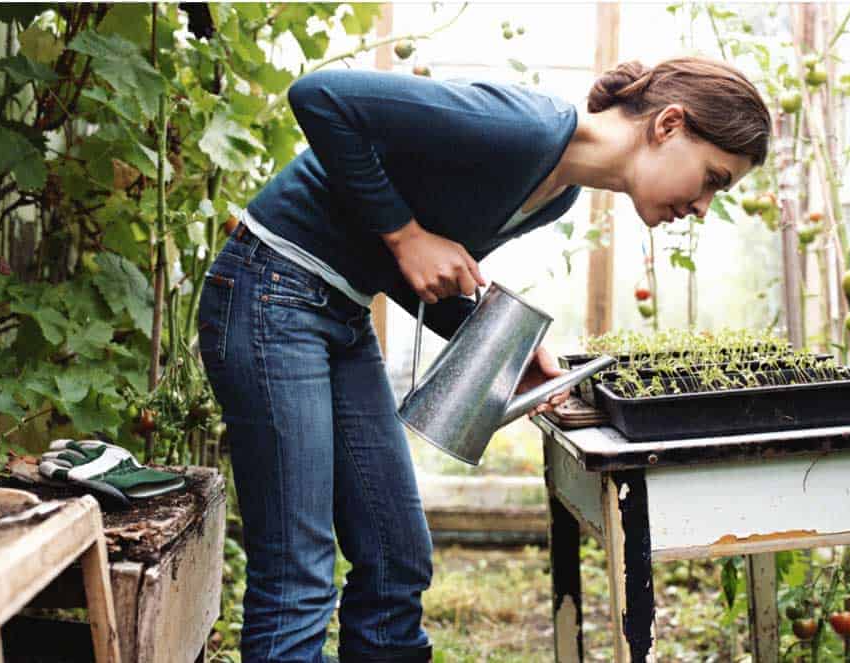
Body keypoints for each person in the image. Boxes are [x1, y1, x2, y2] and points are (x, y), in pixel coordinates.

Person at [197, 56, 770, 662]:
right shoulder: (522, 128)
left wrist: (507, 348)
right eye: (714, 178)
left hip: (338, 311)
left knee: (396, 558)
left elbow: (421, 273)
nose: (705, 205)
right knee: (298, 575)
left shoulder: (556, 195)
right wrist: (406, 236)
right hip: (270, 293)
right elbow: (321, 97)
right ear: (669, 125)